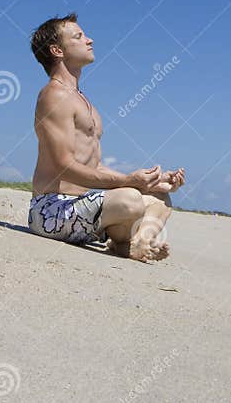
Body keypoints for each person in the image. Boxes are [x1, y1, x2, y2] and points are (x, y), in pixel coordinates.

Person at [26, 13, 185, 262]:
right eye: (79, 36)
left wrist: (149, 181)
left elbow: (93, 166)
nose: (89, 40)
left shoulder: (83, 101)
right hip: (50, 211)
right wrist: (128, 182)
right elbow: (63, 166)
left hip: (84, 207)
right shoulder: (54, 95)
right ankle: (127, 244)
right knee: (130, 198)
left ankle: (137, 243)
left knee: (160, 197)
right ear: (57, 50)